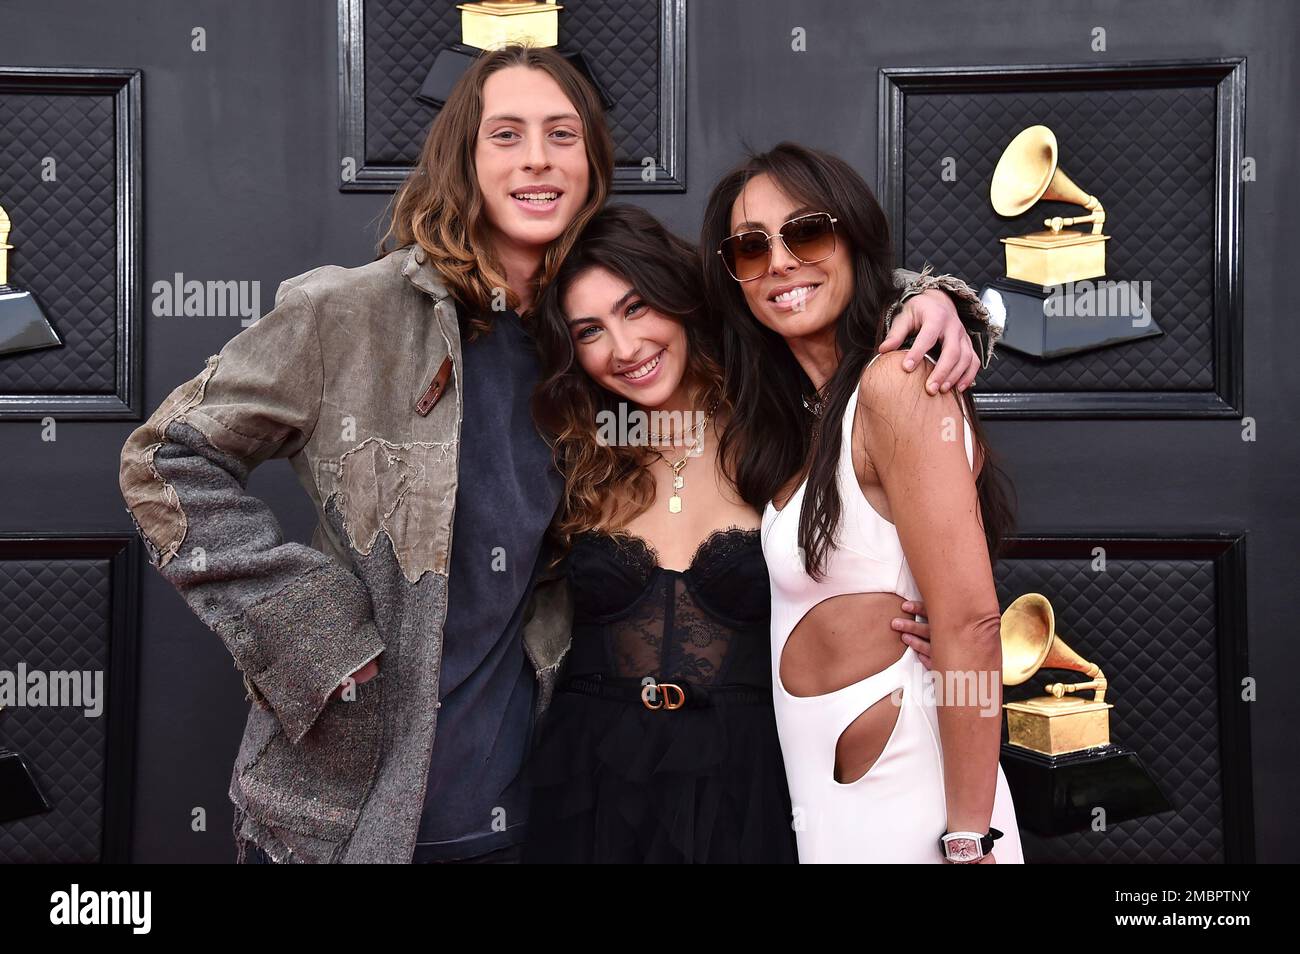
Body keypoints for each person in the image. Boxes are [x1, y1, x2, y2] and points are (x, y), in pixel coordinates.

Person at [118, 44, 991, 864]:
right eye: (506, 135)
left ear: (590, 165)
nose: (536, 159)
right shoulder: (351, 315)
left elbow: (785, 282)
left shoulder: (591, 351)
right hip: (344, 812)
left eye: (560, 134)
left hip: (520, 807)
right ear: (464, 160)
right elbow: (164, 458)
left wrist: (938, 301)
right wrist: (313, 629)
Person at [701, 142, 1025, 863]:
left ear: (852, 235)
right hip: (827, 808)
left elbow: (971, 620)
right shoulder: (801, 417)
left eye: (807, 232)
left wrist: (970, 836)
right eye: (750, 248)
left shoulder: (895, 386)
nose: (780, 262)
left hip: (913, 800)